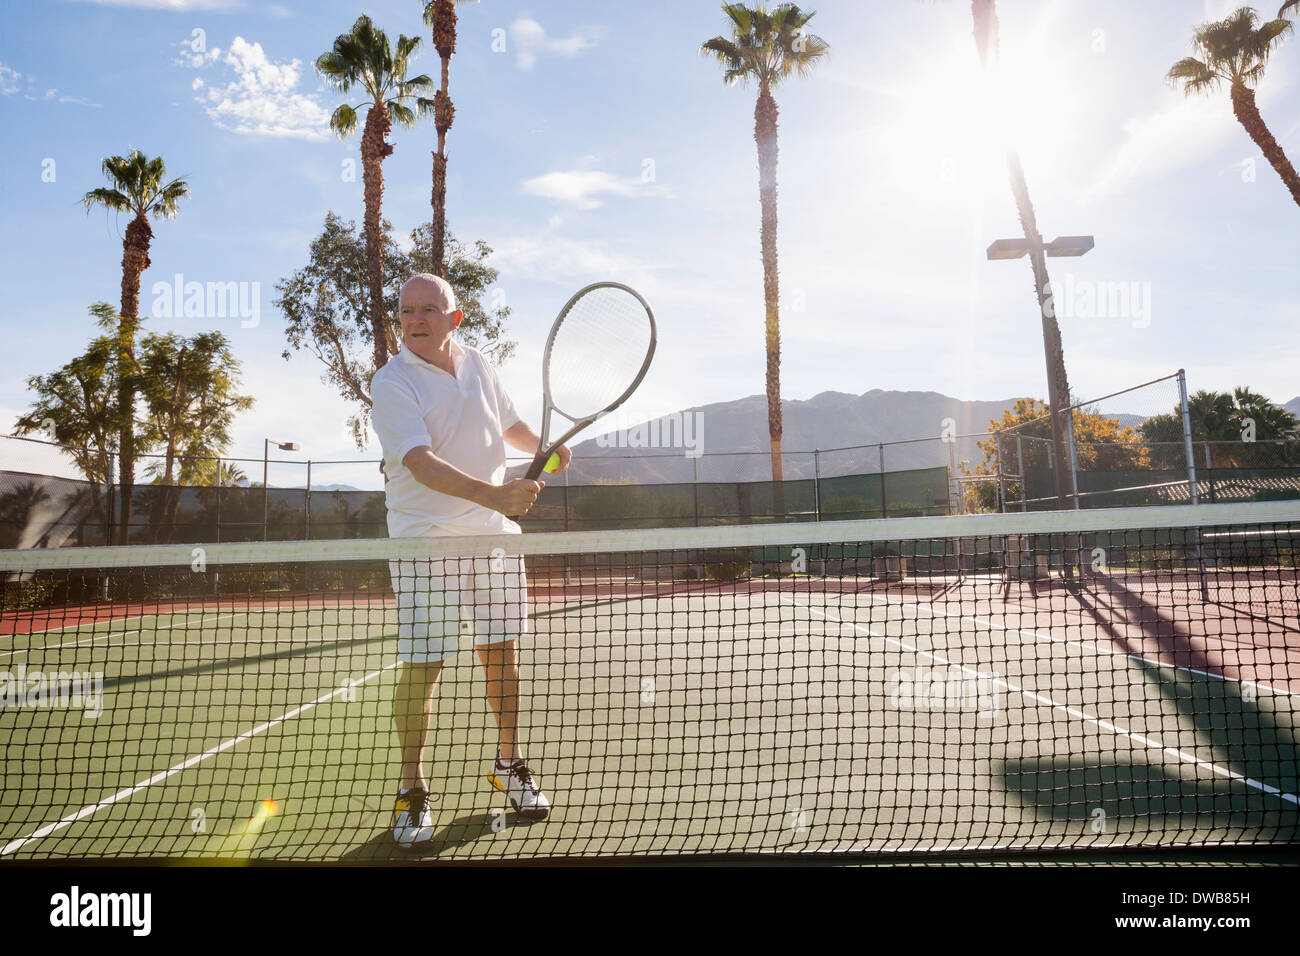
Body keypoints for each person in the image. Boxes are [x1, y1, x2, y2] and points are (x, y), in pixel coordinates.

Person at [370, 273, 570, 848]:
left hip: (491, 539)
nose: (415, 320)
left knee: (500, 654)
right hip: (425, 541)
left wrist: (543, 450)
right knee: (424, 665)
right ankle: (412, 790)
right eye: (407, 311)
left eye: (429, 309)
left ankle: (509, 763)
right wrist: (495, 495)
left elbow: (508, 425)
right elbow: (419, 461)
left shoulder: (480, 363)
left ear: (455, 318)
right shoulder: (392, 382)